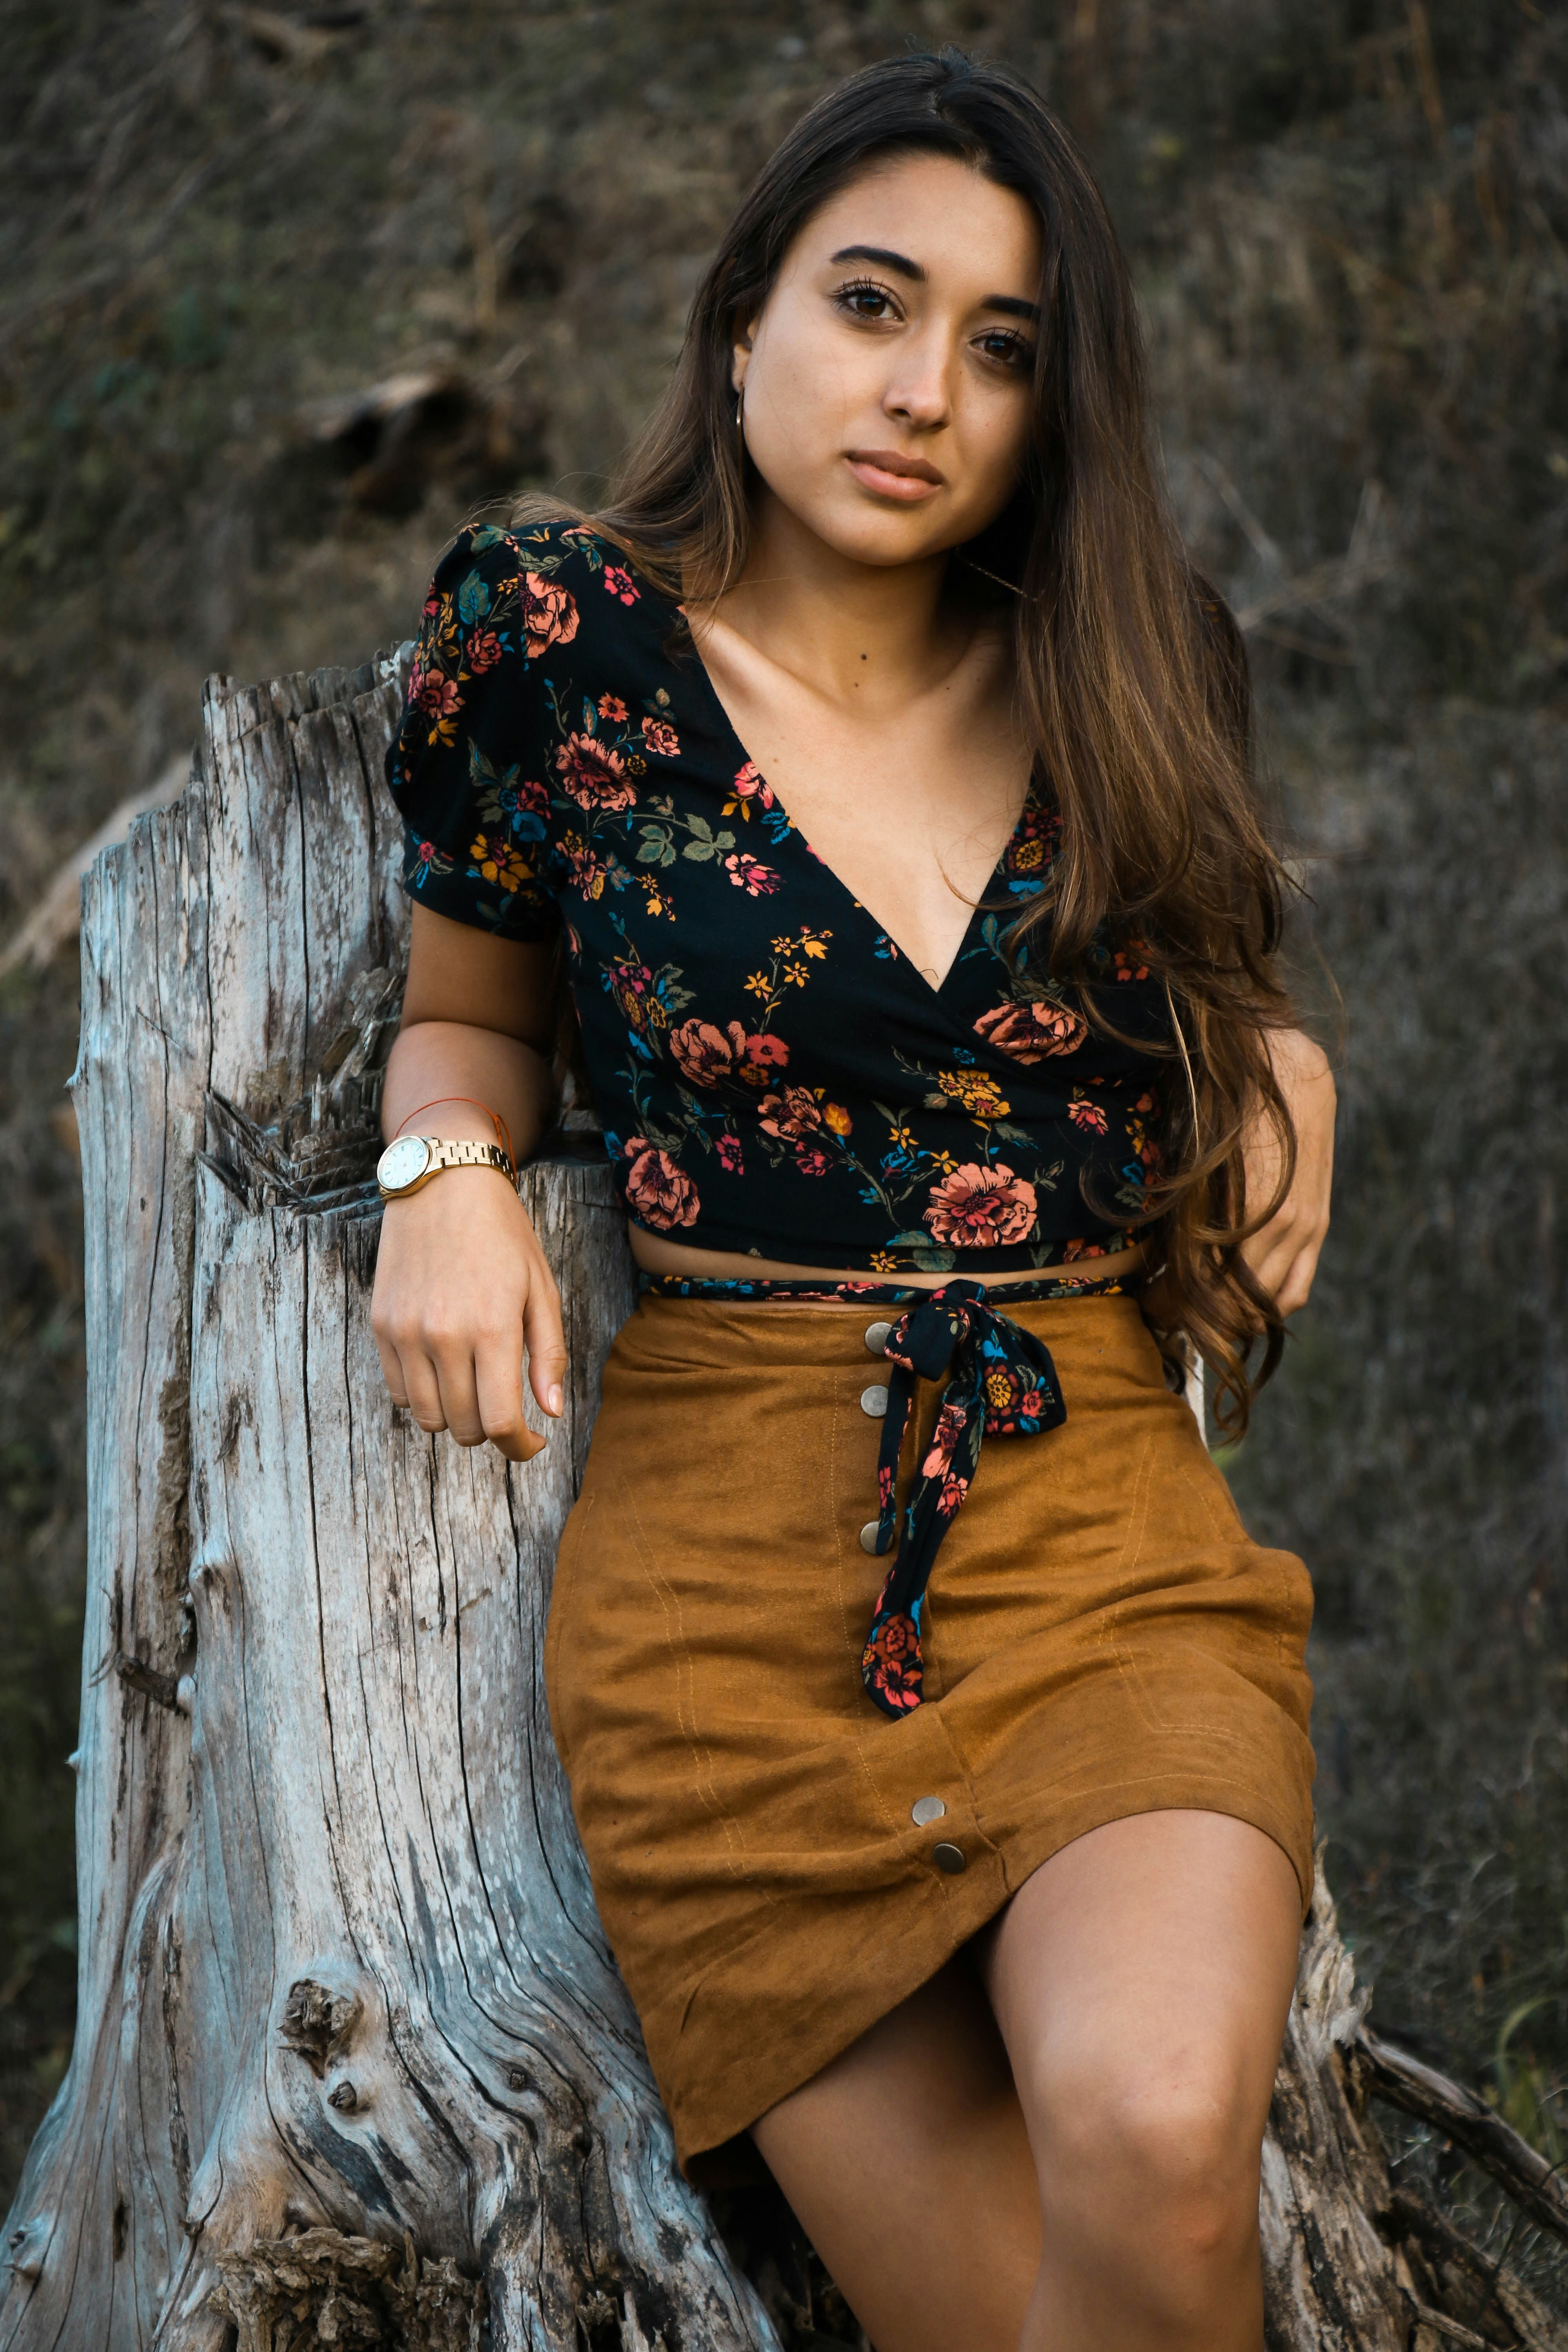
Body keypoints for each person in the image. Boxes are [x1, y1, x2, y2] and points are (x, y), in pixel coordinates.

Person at [370, 47, 1334, 2352]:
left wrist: (1288, 1058)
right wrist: (443, 1167)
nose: (926, 391)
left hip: (1090, 1517)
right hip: (721, 1604)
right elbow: (473, 1017)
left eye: (1004, 348)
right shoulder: (555, 644)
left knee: (1151, 2133)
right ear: (741, 326)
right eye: (872, 304)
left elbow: (1218, 982)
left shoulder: (1128, 657)